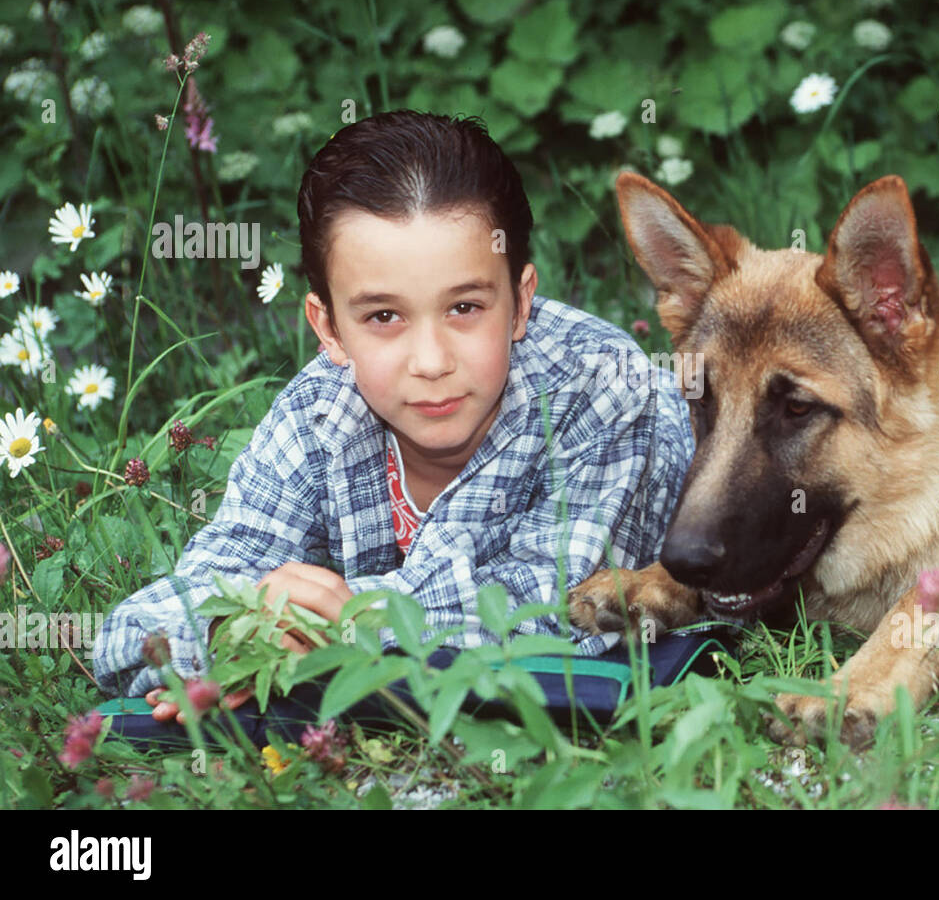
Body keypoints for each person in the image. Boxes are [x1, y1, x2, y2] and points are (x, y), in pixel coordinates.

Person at [91, 111, 694, 721]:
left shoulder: (609, 392)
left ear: (520, 303)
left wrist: (341, 619)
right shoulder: (318, 414)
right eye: (383, 317)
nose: (430, 362)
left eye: (464, 306)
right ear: (328, 328)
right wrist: (233, 632)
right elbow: (128, 636)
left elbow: (559, 611)